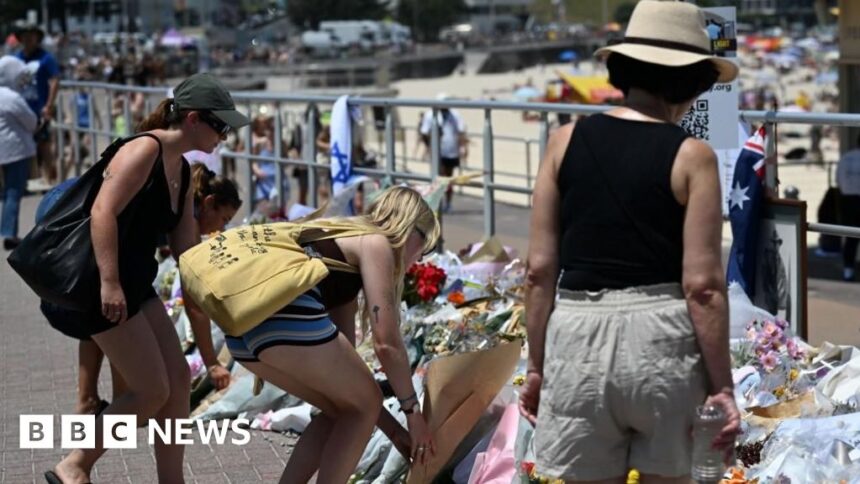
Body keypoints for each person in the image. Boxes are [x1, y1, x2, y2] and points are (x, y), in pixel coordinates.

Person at [518, 2, 741, 481]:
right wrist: (722, 388)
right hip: (660, 341)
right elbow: (702, 287)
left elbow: (537, 270)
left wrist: (536, 365)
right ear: (691, 83)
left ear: (622, 68)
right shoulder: (692, 156)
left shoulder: (564, 142)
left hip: (577, 333)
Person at [45, 73, 249, 484]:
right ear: (193, 119)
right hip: (100, 284)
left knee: (177, 384)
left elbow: (189, 256)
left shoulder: (183, 168)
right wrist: (109, 282)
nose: (224, 137)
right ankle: (74, 465)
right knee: (150, 391)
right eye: (221, 126)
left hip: (136, 284)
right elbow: (102, 213)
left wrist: (238, 287)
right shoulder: (143, 150)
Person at [223, 186, 438, 483]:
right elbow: (387, 343)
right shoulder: (376, 242)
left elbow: (350, 376)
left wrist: (395, 432)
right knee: (358, 407)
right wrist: (413, 415)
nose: (420, 256)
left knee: (340, 408)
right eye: (424, 244)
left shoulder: (339, 244)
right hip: (284, 320)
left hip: (245, 333)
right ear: (409, 227)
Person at [14, 23, 60, 187]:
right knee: (22, 145)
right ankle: (27, 180)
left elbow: (54, 80)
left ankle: (50, 181)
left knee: (45, 145)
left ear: (37, 38)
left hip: (39, 108)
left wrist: (49, 105)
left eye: (32, 35)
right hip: (20, 108)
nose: (28, 39)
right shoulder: (16, 58)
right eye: (25, 36)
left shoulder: (46, 58)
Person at [0, 55, 38, 251]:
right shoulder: (12, 97)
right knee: (13, 193)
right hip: (14, 150)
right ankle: (9, 233)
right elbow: (31, 122)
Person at [419, 94, 468, 211]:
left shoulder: (455, 114)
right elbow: (424, 132)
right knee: (439, 178)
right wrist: (429, 146)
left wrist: (463, 148)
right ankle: (437, 204)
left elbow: (461, 131)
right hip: (437, 151)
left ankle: (448, 203)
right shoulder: (430, 114)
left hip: (451, 151)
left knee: (448, 179)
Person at [836, 133, 860, 282]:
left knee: (850, 236)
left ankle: (848, 270)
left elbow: (838, 180)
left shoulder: (845, 157)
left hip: (847, 199)